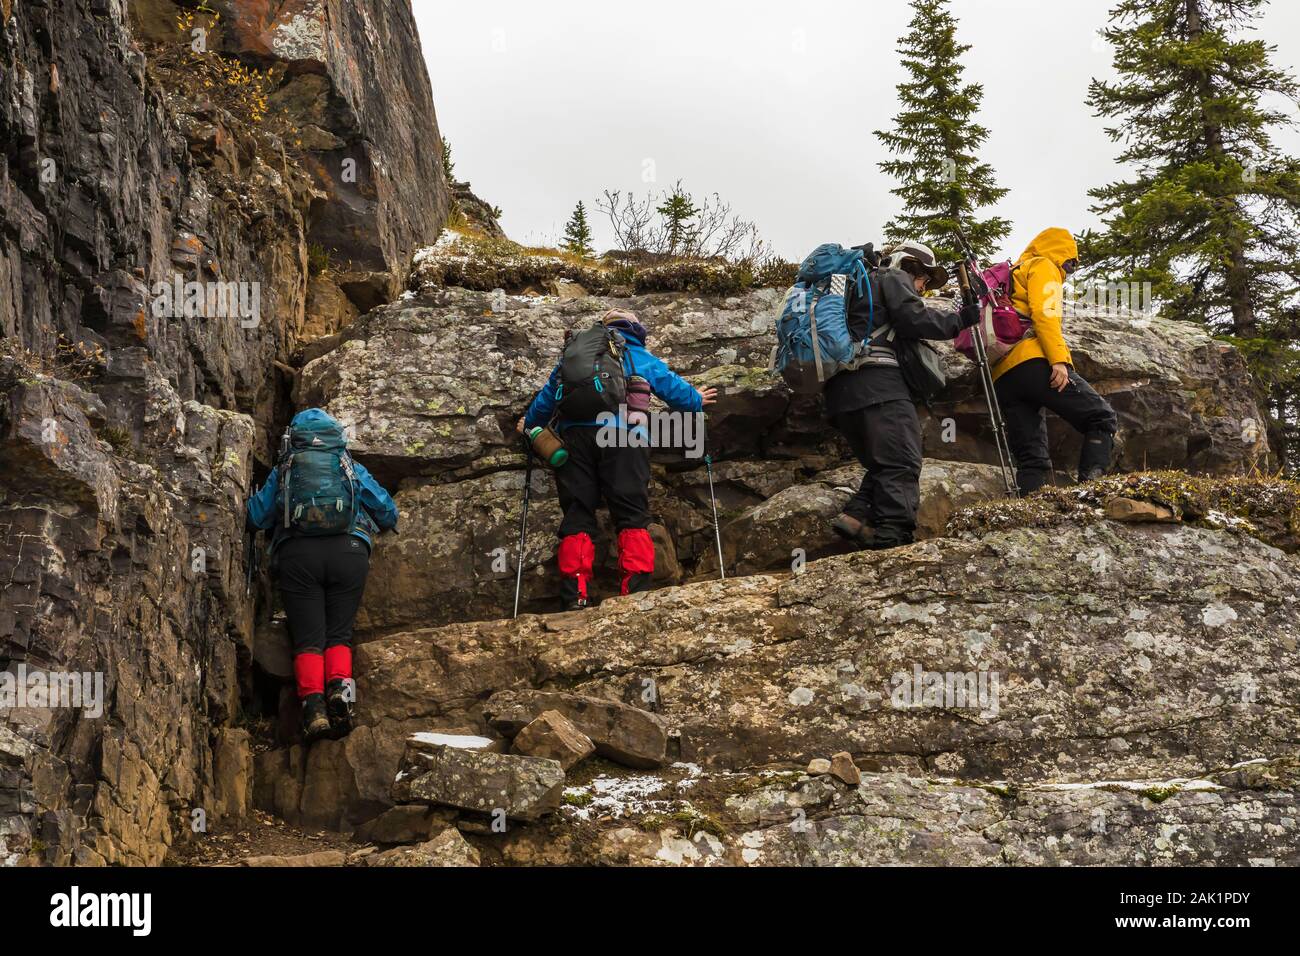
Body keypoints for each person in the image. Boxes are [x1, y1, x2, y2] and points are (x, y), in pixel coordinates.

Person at [518, 310, 717, 611]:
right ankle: (634, 595)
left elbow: (544, 404)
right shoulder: (635, 354)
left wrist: (529, 424)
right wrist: (697, 399)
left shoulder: (574, 356)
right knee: (631, 514)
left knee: (577, 513)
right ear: (636, 329)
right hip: (624, 436)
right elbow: (674, 390)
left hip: (574, 440)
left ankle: (576, 596)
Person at [246, 409, 399, 742]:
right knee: (340, 635)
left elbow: (256, 516)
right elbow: (387, 511)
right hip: (349, 553)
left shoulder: (286, 468)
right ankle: (340, 696)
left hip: (299, 557)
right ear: (336, 436)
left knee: (308, 640)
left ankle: (314, 710)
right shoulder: (348, 466)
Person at [828, 240, 979, 551]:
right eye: (923, 281)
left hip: (841, 393)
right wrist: (960, 320)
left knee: (883, 464)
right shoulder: (892, 277)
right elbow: (914, 319)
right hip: (880, 386)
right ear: (911, 267)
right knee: (903, 462)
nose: (922, 289)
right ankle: (894, 538)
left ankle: (855, 516)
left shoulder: (855, 287)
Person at [992, 228, 1118, 496]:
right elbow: (1044, 314)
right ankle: (1091, 491)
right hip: (1033, 362)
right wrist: (1059, 361)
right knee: (1101, 417)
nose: (1069, 271)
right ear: (1060, 253)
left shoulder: (1014, 273)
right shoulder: (1043, 265)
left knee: (1032, 458)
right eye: (1071, 263)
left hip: (1003, 373)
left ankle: (1028, 519)